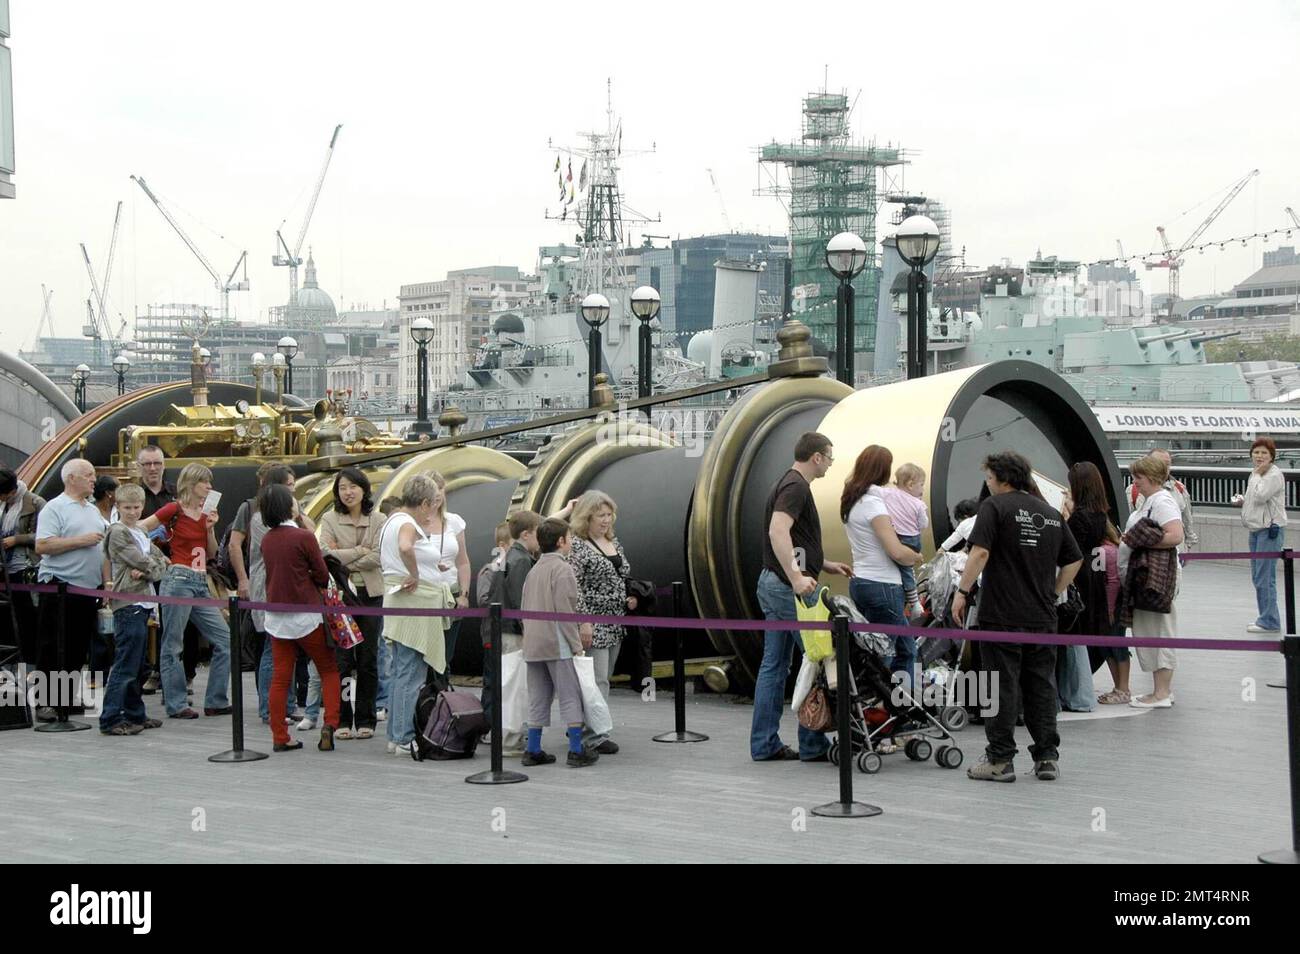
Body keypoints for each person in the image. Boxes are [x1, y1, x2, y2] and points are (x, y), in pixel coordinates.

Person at [952, 451, 1082, 783]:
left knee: (1000, 684)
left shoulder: (994, 508)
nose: (987, 483)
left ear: (1003, 478)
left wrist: (962, 592)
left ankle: (999, 759)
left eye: (989, 477)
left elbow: (980, 552)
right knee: (1041, 684)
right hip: (1042, 615)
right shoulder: (1050, 513)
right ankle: (1046, 757)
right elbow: (1074, 560)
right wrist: (1053, 591)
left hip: (1002, 613)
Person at [751, 432, 852, 762]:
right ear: (817, 457)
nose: (830, 464)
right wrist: (796, 576)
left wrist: (823, 563)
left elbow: (793, 538)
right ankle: (813, 744)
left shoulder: (785, 482)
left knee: (775, 665)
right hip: (788, 588)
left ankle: (764, 743)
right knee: (818, 658)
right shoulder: (796, 487)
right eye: (830, 458)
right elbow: (778, 531)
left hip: (772, 583)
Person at [139, 463, 231, 719]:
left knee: (225, 640)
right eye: (205, 482)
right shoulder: (174, 509)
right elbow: (139, 528)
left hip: (200, 580)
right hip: (178, 577)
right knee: (173, 643)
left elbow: (212, 553)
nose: (210, 487)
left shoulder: (205, 513)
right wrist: (150, 560)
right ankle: (177, 703)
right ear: (192, 483)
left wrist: (210, 528)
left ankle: (215, 700)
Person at [259, 484, 341, 753]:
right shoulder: (304, 537)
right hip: (306, 613)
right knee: (327, 668)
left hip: (277, 614)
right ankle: (330, 724)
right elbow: (321, 573)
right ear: (288, 507)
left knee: (281, 677)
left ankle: (280, 736)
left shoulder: (267, 539)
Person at [229, 464, 311, 724]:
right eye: (288, 485)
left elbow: (310, 533)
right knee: (270, 646)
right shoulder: (258, 514)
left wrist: (298, 513)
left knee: (286, 645)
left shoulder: (292, 510)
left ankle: (286, 704)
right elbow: (295, 542)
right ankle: (269, 707)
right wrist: (243, 580)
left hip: (288, 586)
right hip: (267, 585)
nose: (293, 489)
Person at [554, 490, 634, 755]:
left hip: (615, 619)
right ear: (587, 517)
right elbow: (573, 585)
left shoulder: (615, 542)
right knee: (597, 679)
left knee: (604, 677)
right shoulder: (577, 546)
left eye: (609, 515)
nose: (606, 520)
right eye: (600, 515)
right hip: (594, 621)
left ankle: (585, 724)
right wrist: (584, 621)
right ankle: (594, 734)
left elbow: (621, 574)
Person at [379, 474, 453, 756]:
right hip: (413, 605)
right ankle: (402, 736)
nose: (433, 511)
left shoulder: (393, 520)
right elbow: (406, 547)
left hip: (403, 602)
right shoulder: (407, 523)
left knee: (402, 671)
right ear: (424, 503)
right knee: (410, 673)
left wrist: (430, 568)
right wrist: (415, 574)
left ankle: (395, 734)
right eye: (433, 505)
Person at [841, 446, 926, 692]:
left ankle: (895, 710)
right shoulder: (873, 505)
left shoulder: (852, 501)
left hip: (861, 582)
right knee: (883, 656)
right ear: (882, 470)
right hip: (884, 586)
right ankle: (877, 711)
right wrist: (917, 556)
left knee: (905, 649)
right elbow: (897, 551)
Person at [32, 459, 106, 720]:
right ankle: (44, 702)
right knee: (51, 643)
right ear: (71, 478)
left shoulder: (93, 510)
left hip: (86, 588)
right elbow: (42, 546)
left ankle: (66, 697)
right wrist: (80, 541)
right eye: (88, 475)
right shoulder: (55, 508)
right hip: (59, 585)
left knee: (77, 643)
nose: (93, 479)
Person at [520, 517, 598, 768]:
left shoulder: (533, 571)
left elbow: (522, 609)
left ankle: (533, 748)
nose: (572, 543)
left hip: (533, 642)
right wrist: (576, 644)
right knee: (570, 694)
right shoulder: (563, 569)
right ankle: (576, 749)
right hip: (557, 642)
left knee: (538, 696)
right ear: (561, 541)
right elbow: (566, 610)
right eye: (570, 538)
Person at [317, 467, 384, 739]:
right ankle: (343, 719)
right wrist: (359, 552)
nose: (348, 492)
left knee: (368, 658)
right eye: (343, 487)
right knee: (343, 660)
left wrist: (343, 556)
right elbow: (325, 555)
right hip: (341, 595)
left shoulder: (379, 519)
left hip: (370, 592)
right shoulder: (330, 518)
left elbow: (380, 555)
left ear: (364, 489)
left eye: (353, 486)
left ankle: (366, 718)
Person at [99, 483, 168, 735]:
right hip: (128, 602)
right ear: (117, 506)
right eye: (127, 507)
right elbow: (142, 561)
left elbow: (161, 562)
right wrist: (152, 568)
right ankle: (109, 718)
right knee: (126, 663)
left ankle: (135, 714)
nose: (132, 512)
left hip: (143, 601)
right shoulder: (118, 532)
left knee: (138, 664)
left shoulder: (139, 530)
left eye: (137, 507)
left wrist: (150, 571)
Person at [1122, 454, 1185, 708]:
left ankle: (1162, 692)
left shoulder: (1162, 502)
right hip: (1144, 577)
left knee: (1160, 630)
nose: (1136, 482)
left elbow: (1175, 535)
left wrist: (1139, 543)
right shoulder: (1149, 501)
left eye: (1139, 477)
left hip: (1155, 578)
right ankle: (1159, 690)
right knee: (1149, 630)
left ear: (1151, 478)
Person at [1058, 462, 1111, 712]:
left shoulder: (1079, 516)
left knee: (1071, 632)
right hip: (1094, 573)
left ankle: (1075, 692)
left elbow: (1068, 549)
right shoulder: (1100, 513)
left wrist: (1065, 519)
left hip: (1078, 575)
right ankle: (1079, 690)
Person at [1235, 436, 1287, 634]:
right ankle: (1266, 617)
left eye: (1264, 453)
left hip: (1269, 531)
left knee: (1264, 577)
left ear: (1272, 456)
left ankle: (1269, 621)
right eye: (1256, 452)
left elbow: (1261, 495)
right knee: (1259, 576)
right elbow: (1254, 499)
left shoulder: (1272, 474)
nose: (1259, 456)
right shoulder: (1257, 473)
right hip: (1256, 529)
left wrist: (1257, 475)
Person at [420, 471, 470, 668]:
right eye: (434, 488)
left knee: (445, 657)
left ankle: (442, 695)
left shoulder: (454, 521)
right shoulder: (411, 523)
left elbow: (463, 561)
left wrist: (464, 594)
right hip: (424, 594)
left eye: (441, 488)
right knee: (424, 656)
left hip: (451, 592)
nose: (438, 493)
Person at [0, 467, 45, 666]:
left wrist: (17, 539)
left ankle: (29, 665)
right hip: (3, 571)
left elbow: (44, 537)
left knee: (27, 621)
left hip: (25, 570)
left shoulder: (35, 503)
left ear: (11, 491)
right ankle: (7, 665)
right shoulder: (2, 505)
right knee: (5, 621)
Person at [875, 462, 929, 616]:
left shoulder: (889, 493)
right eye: (921, 484)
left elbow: (874, 490)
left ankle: (910, 600)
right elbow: (924, 524)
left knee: (900, 568)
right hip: (912, 540)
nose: (922, 489)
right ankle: (914, 602)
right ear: (911, 485)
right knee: (907, 570)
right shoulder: (919, 504)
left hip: (895, 537)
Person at [1130, 448, 1197, 551]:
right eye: (1158, 463)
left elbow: (1187, 520)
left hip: (1174, 555)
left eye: (1167, 464)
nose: (1164, 468)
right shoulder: (1133, 490)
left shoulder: (1179, 489)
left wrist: (1188, 547)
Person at [374, 496, 401, 722]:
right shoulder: (387, 532)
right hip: (385, 596)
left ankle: (385, 701)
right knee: (385, 652)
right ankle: (383, 701)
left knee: (386, 652)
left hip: (388, 595)